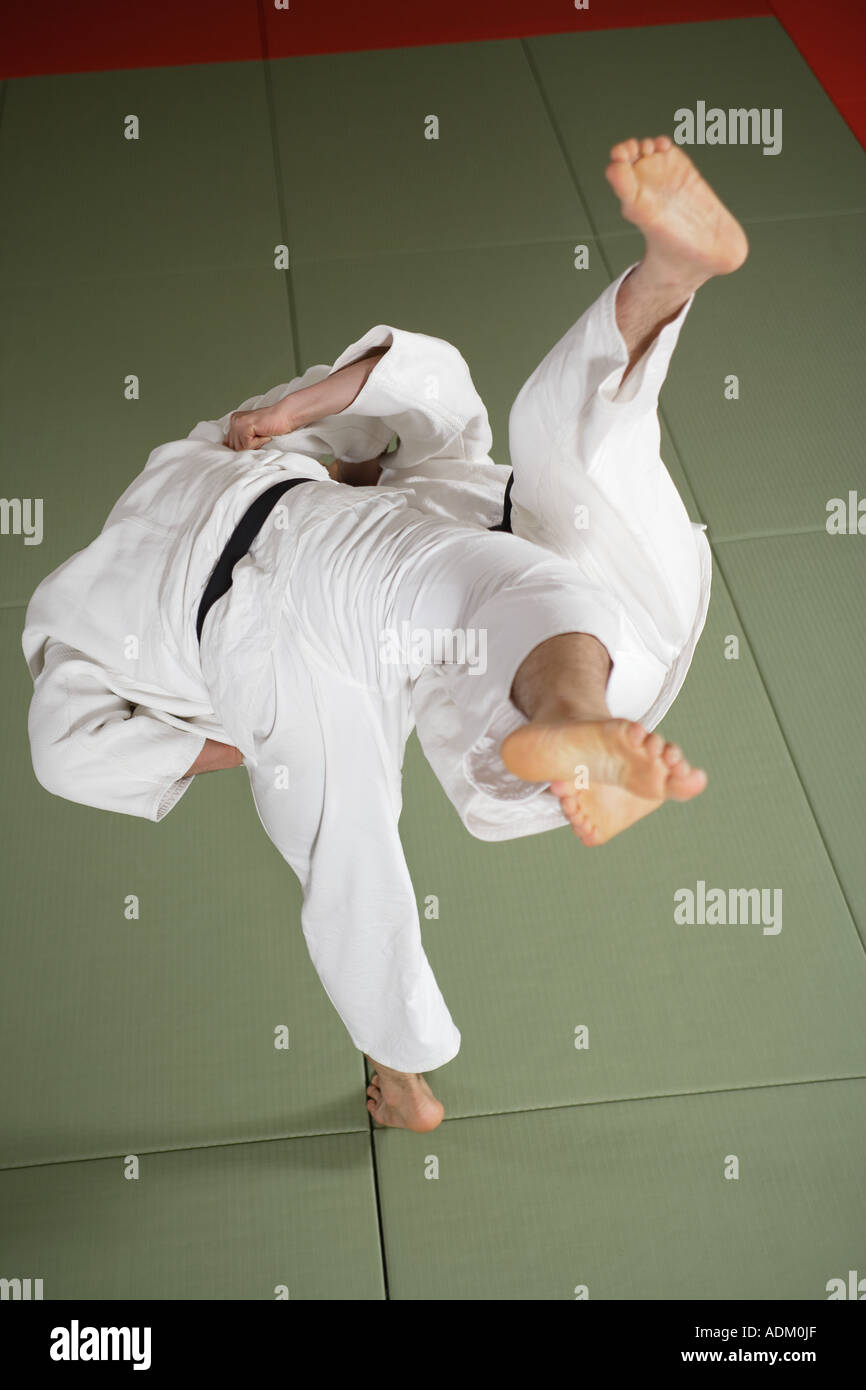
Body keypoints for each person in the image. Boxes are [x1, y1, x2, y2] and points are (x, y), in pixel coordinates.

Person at [22, 136, 748, 1133]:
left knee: (359, 836)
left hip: (348, 595)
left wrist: (225, 744)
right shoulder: (274, 459)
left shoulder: (227, 491)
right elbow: (422, 385)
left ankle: (407, 1073)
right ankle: (664, 283)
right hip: (576, 607)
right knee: (556, 447)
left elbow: (60, 751)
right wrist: (301, 409)